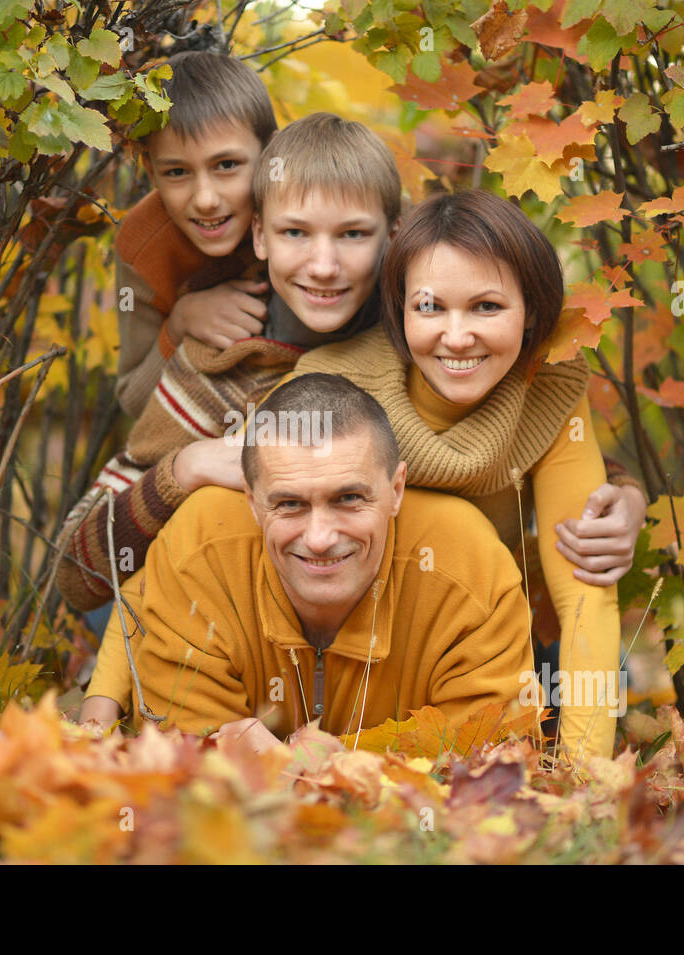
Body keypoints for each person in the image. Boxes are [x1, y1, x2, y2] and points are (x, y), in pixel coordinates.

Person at [289, 189, 645, 761]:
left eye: (487, 307)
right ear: (399, 310)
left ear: (531, 311)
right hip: (356, 658)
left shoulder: (547, 387)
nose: (456, 337)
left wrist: (584, 777)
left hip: (485, 652)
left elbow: (585, 587)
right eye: (430, 307)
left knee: (605, 685)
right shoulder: (333, 390)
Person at [57, 112, 400, 611]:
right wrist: (187, 467)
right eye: (295, 234)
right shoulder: (221, 368)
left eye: (352, 235)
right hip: (231, 648)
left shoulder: (424, 341)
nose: (324, 267)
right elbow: (77, 575)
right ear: (259, 235)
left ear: (391, 235)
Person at [91, 374, 534, 746]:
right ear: (251, 500)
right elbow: (186, 750)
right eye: (289, 504)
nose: (320, 538)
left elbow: (492, 760)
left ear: (396, 490)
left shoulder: (467, 563)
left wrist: (309, 764)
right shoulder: (201, 546)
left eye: (348, 498)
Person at [113, 50, 276, 418]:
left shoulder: (310, 201)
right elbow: (133, 401)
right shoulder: (141, 249)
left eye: (227, 165)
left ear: (270, 153)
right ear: (151, 173)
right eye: (177, 173)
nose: (205, 200)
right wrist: (180, 324)